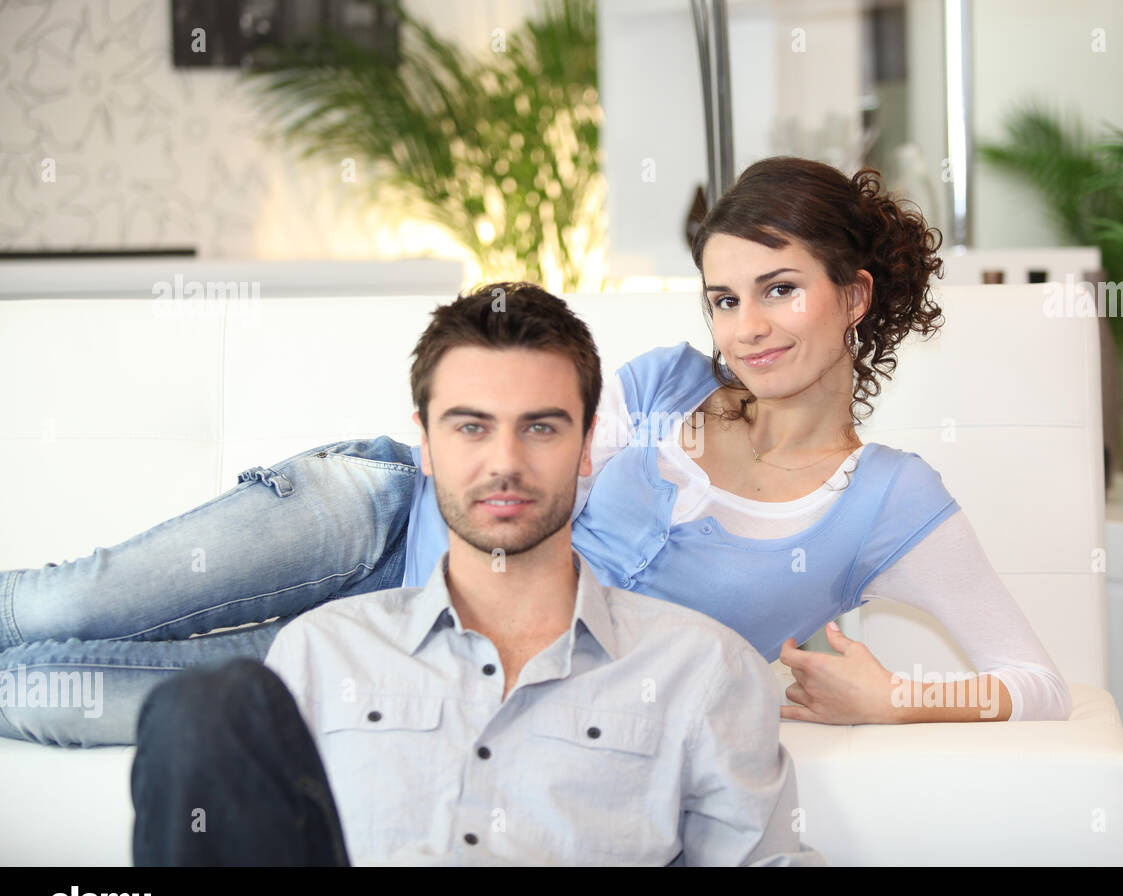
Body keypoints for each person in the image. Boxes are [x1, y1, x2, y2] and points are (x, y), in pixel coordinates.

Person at [0, 156, 1071, 749]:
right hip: (381, 513)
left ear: (855, 294)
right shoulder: (663, 384)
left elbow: (1036, 682)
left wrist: (898, 699)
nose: (746, 328)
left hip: (411, 664)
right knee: (62, 603)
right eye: (724, 298)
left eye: (779, 290)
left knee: (59, 697)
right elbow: (517, 479)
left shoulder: (886, 501)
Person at [129, 285, 822, 865]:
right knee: (200, 709)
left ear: (588, 445)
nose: (505, 463)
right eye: (470, 428)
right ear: (426, 445)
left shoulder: (702, 670)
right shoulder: (321, 651)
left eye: (540, 428)